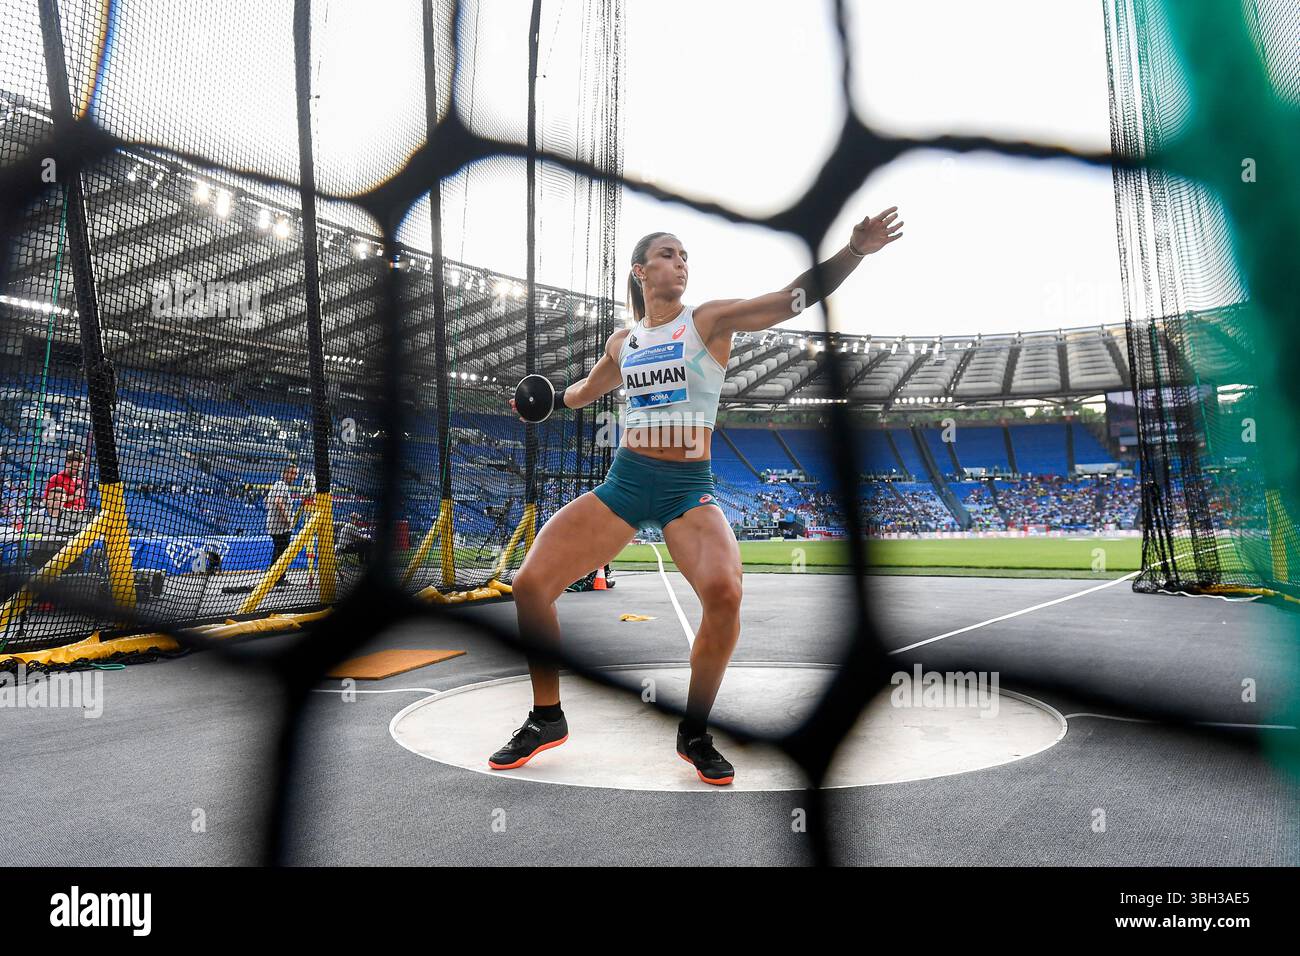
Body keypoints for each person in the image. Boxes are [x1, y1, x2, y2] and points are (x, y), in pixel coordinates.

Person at [489, 208, 904, 784]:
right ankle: (546, 716)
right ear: (640, 271)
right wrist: (547, 401)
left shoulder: (707, 321)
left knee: (725, 595)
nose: (680, 263)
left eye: (685, 256)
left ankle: (694, 731)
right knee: (531, 586)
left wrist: (853, 251)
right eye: (668, 254)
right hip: (626, 485)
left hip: (688, 490)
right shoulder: (624, 341)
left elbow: (789, 300)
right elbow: (585, 392)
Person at [265, 463, 298, 588]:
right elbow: (278, 502)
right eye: (293, 473)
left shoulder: (279, 485)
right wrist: (288, 520)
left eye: (296, 474)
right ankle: (277, 579)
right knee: (284, 553)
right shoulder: (281, 485)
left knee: (279, 551)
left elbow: (267, 500)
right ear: (286, 473)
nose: (295, 476)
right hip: (280, 528)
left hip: (277, 527)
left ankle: (273, 577)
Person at [44, 449, 87, 515]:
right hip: (63, 517)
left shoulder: (80, 480)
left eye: (80, 467)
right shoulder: (56, 478)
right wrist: (73, 497)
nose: (78, 469)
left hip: (80, 516)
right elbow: (46, 500)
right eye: (75, 466)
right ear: (67, 463)